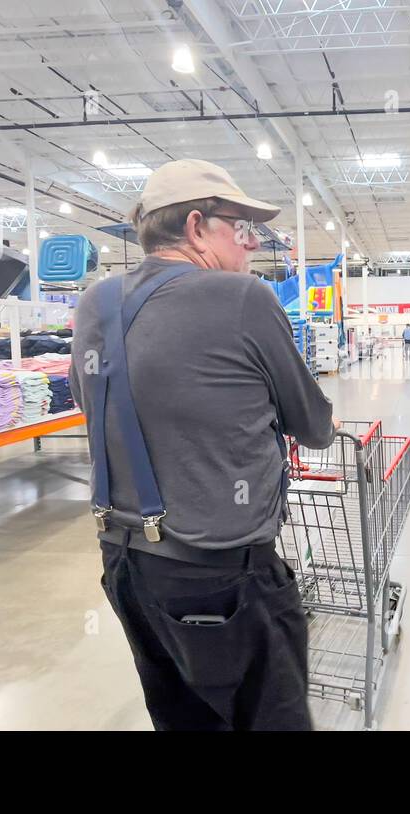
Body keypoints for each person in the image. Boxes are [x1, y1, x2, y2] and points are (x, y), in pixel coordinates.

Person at [69, 158, 337, 731]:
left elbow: (95, 407)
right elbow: (315, 427)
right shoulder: (243, 297)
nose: (249, 247)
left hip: (125, 561)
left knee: (183, 717)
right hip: (222, 574)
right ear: (196, 228)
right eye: (241, 230)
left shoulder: (96, 303)